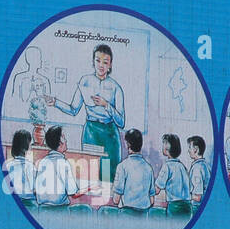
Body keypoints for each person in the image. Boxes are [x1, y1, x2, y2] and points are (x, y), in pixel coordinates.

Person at [45, 43, 125, 181]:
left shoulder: (116, 87)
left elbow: (121, 122)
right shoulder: (85, 81)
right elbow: (73, 109)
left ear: (110, 65)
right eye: (98, 60)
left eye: (105, 62)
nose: (101, 65)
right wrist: (56, 102)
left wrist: (106, 105)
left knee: (107, 178)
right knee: (90, 175)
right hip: (91, 132)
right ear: (93, 61)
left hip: (110, 134)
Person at [34, 125, 84, 207]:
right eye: (64, 137)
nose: (66, 140)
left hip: (42, 209)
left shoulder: (42, 162)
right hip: (60, 208)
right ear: (60, 143)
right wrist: (90, 188)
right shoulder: (64, 163)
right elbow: (73, 193)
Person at [110, 128, 153, 213]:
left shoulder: (122, 166)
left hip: (127, 213)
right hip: (144, 215)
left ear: (127, 144)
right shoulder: (149, 168)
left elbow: (116, 200)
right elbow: (152, 200)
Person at [155, 133, 192, 215]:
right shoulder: (182, 166)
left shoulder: (167, 166)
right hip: (188, 206)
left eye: (164, 143)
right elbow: (190, 187)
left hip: (174, 207)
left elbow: (157, 189)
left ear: (167, 148)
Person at [2, 129, 36, 203]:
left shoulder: (8, 165)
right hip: (28, 202)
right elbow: (34, 188)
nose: (32, 146)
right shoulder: (30, 166)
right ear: (26, 146)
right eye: (30, 143)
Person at [187, 135, 210, 210]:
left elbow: (197, 197)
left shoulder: (197, 168)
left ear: (196, 149)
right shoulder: (205, 165)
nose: (188, 150)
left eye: (190, 147)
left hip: (197, 208)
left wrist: (184, 195)